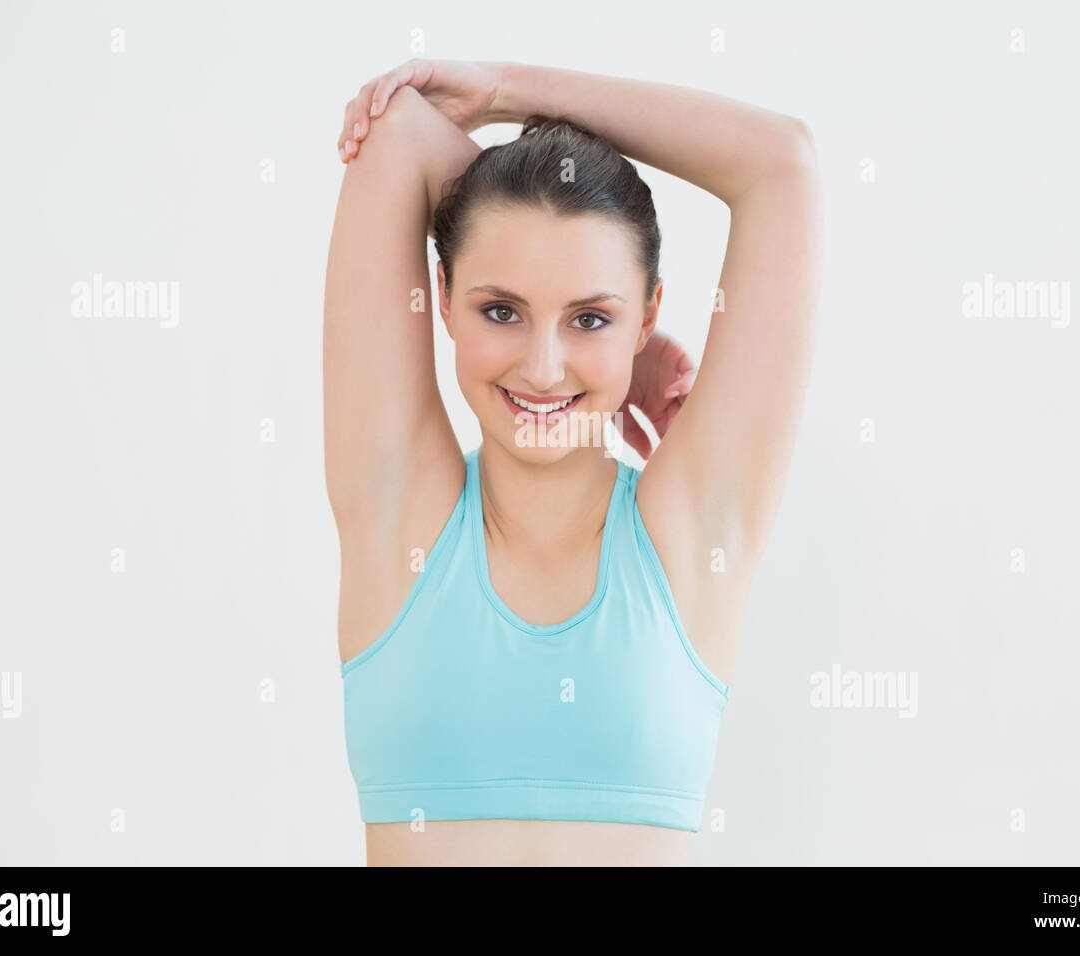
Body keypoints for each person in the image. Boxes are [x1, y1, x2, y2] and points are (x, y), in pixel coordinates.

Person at [324, 59, 822, 866]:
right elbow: (398, 132)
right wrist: (606, 337)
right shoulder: (398, 515)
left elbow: (782, 165)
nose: (545, 368)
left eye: (588, 318)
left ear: (650, 312)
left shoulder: (690, 533)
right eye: (501, 310)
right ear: (442, 296)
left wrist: (507, 92)